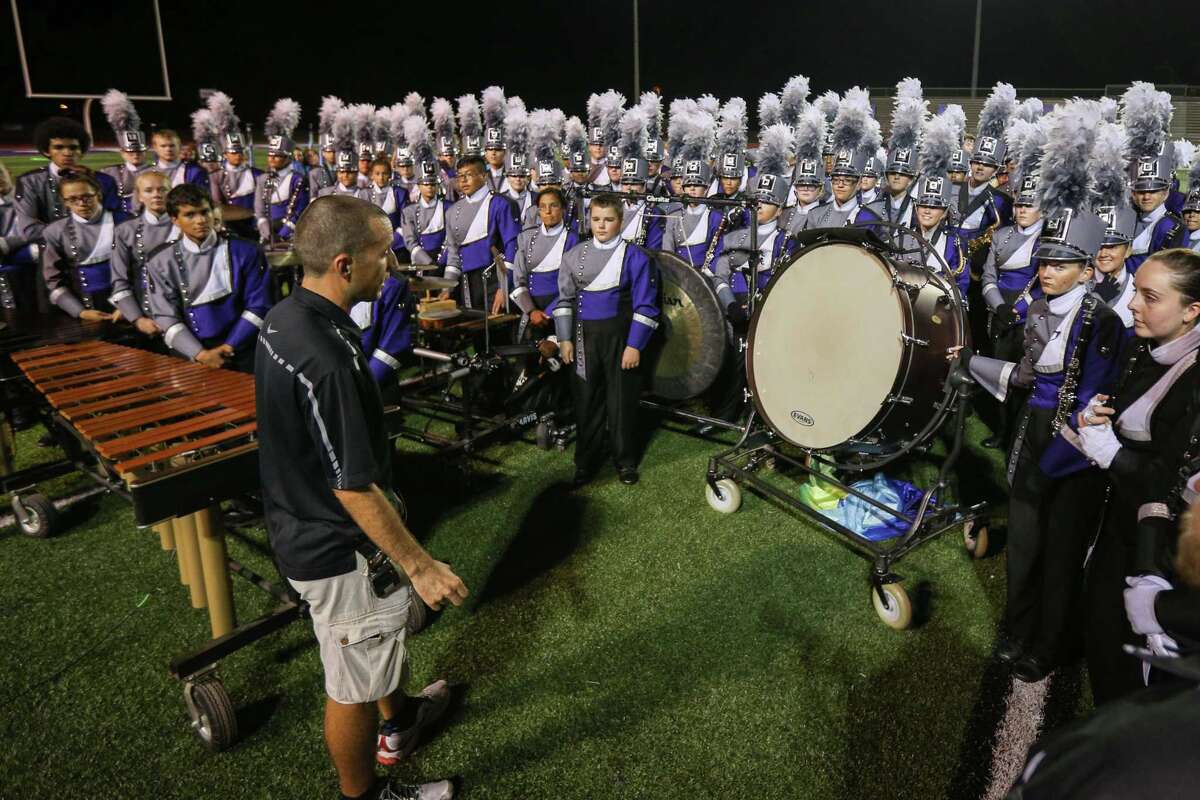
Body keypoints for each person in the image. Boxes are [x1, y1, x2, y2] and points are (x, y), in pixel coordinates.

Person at [255, 194, 463, 800]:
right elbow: (351, 485)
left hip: (298, 519)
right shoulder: (328, 361)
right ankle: (365, 793)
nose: (392, 263)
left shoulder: (286, 316)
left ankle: (400, 720)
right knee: (350, 678)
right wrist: (418, 564)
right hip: (334, 546)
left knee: (373, 646)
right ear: (345, 265)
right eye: (382, 253)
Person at [959, 103, 1124, 683]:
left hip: (1074, 453)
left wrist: (979, 369)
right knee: (1025, 545)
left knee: (1060, 554)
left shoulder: (1104, 322)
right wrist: (974, 365)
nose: (1049, 270)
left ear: (1088, 270)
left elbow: (1084, 394)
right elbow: (1028, 379)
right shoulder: (1035, 312)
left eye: (1064, 263)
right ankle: (1018, 627)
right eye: (1047, 260)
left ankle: (1050, 643)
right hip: (1033, 437)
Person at [1078, 249, 1200, 705]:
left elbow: (1175, 486)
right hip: (1119, 523)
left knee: (1129, 668)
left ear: (1192, 311)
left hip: (1157, 551)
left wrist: (1113, 455)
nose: (1133, 304)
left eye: (1151, 297)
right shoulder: (1143, 344)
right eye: (1136, 292)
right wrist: (1099, 418)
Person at [554, 192, 659, 486]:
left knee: (621, 402)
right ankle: (585, 463)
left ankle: (625, 461)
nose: (601, 226)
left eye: (608, 220)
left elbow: (647, 305)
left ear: (620, 221)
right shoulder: (574, 256)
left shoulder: (636, 257)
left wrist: (635, 345)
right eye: (596, 219)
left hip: (620, 339)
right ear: (589, 220)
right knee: (586, 401)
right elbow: (564, 300)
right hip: (583, 338)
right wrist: (564, 339)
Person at [706, 125, 794, 425]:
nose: (760, 207)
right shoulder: (735, 237)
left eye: (767, 202)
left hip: (771, 312)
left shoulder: (788, 239)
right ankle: (728, 412)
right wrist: (730, 303)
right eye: (756, 201)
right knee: (731, 361)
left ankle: (764, 419)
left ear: (780, 206)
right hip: (737, 308)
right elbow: (719, 272)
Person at [147, 183, 271, 372]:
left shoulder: (246, 251)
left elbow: (260, 304)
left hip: (244, 350)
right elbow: (165, 316)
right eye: (190, 215)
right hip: (189, 355)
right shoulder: (160, 261)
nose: (201, 220)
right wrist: (200, 354)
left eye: (205, 212)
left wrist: (229, 346)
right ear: (174, 219)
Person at [41, 172, 131, 319]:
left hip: (131, 303)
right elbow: (53, 281)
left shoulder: (126, 222)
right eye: (72, 199)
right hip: (87, 310)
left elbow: (144, 270)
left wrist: (130, 308)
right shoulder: (55, 231)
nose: (81, 203)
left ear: (98, 194)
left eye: (87, 197)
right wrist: (80, 312)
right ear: (64, 202)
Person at [14, 116, 119, 243]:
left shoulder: (104, 181)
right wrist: (75, 237)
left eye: (73, 148)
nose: (67, 153)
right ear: (47, 151)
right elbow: (29, 230)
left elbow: (114, 221)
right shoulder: (29, 182)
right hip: (49, 248)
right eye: (58, 147)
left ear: (82, 151)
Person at [439, 155, 519, 314]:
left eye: (469, 174)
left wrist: (503, 287)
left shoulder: (501, 204)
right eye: (460, 175)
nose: (463, 180)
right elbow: (454, 255)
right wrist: (447, 287)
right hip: (466, 286)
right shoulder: (452, 212)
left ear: (484, 176)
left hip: (494, 283)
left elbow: (513, 247)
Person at [1122, 82, 1186, 272]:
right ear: (1133, 193)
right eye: (1141, 191)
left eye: (1153, 190)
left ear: (1166, 193)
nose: (1146, 196)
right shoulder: (1127, 218)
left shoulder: (1172, 226)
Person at [110, 170, 179, 336]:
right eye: (149, 190)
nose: (156, 195)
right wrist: (136, 317)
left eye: (163, 190)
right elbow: (119, 280)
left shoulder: (186, 224)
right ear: (139, 196)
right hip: (145, 310)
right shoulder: (125, 230)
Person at [398, 117, 451, 266]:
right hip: (421, 265)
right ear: (418, 185)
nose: (429, 187)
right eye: (425, 184)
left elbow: (452, 238)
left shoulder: (449, 207)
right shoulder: (409, 212)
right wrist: (427, 262)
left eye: (433, 183)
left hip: (445, 263)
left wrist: (441, 261)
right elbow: (410, 242)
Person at [255, 98, 309, 244]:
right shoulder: (262, 179)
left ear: (288, 158)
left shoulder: (298, 179)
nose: (272, 158)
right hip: (267, 234)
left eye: (277, 155)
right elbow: (259, 210)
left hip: (291, 234)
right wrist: (266, 232)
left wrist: (283, 234)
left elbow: (299, 211)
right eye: (271, 154)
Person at [98, 89, 152, 215]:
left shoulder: (157, 170)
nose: (135, 154)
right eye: (130, 152)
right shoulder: (109, 172)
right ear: (122, 153)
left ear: (145, 152)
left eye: (139, 151)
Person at [0, 163, 40, 313]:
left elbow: (50, 233)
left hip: (36, 278)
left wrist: (6, 245)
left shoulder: (33, 197)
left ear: (9, 172)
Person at [364, 159, 409, 254]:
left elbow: (405, 220)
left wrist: (393, 240)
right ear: (372, 175)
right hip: (370, 245)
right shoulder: (364, 193)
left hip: (396, 244)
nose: (381, 177)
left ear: (390, 175)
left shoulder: (399, 193)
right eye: (377, 173)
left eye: (384, 173)